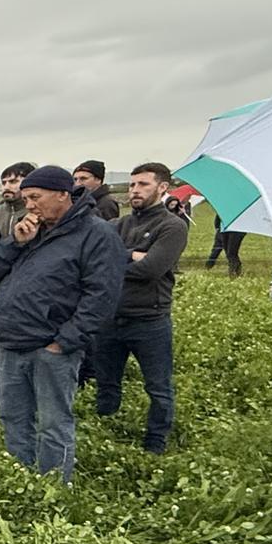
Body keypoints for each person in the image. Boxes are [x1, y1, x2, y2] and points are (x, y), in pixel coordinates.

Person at [0, 166, 126, 481]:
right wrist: (14, 243)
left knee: (53, 423)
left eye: (35, 197)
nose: (29, 205)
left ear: (62, 195)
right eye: (27, 199)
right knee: (13, 416)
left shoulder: (96, 234)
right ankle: (23, 481)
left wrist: (64, 341)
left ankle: (54, 487)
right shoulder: (30, 232)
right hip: (12, 341)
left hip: (52, 346)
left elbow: (101, 296)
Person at [94, 162, 189, 452]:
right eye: (133, 184)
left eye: (143, 184)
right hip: (111, 317)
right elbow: (95, 262)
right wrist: (133, 254)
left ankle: (156, 441)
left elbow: (151, 269)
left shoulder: (172, 226)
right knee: (106, 382)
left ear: (162, 187)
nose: (135, 190)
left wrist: (116, 260)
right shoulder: (118, 224)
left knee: (158, 386)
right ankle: (105, 432)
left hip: (149, 319)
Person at [0, 163, 35, 414]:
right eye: (4, 182)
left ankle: (19, 409)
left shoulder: (36, 216)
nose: (7, 187)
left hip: (25, 301)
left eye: (14, 181)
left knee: (20, 362)